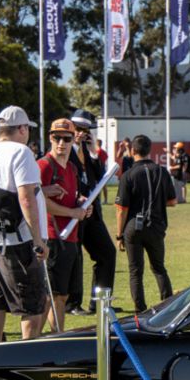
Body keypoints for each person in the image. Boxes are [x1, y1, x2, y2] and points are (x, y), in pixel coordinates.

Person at [0, 106, 49, 342]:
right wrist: (37, 239)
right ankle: (27, 354)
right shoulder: (22, 152)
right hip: (17, 238)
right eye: (27, 128)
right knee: (32, 305)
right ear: (21, 128)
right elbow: (25, 196)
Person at [38, 119, 93, 331]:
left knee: (62, 295)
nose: (61, 143)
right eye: (56, 137)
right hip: (52, 238)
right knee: (51, 296)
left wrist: (82, 204)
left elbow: (73, 197)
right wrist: (72, 212)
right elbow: (35, 200)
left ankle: (54, 339)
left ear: (73, 140)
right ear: (50, 138)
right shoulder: (43, 165)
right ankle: (36, 342)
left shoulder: (71, 167)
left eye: (66, 138)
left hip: (71, 239)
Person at [115, 133, 177, 313]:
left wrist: (119, 235)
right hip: (156, 226)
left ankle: (139, 310)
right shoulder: (162, 171)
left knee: (135, 271)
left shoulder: (128, 175)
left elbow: (121, 209)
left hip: (133, 227)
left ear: (132, 150)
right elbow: (172, 201)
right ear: (150, 150)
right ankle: (168, 306)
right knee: (159, 268)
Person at [65, 110, 116, 317]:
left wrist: (94, 150)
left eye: (85, 130)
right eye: (78, 129)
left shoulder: (87, 151)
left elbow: (99, 176)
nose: (81, 133)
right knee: (75, 257)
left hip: (93, 212)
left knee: (107, 253)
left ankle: (101, 301)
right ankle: (72, 303)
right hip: (74, 212)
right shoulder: (64, 149)